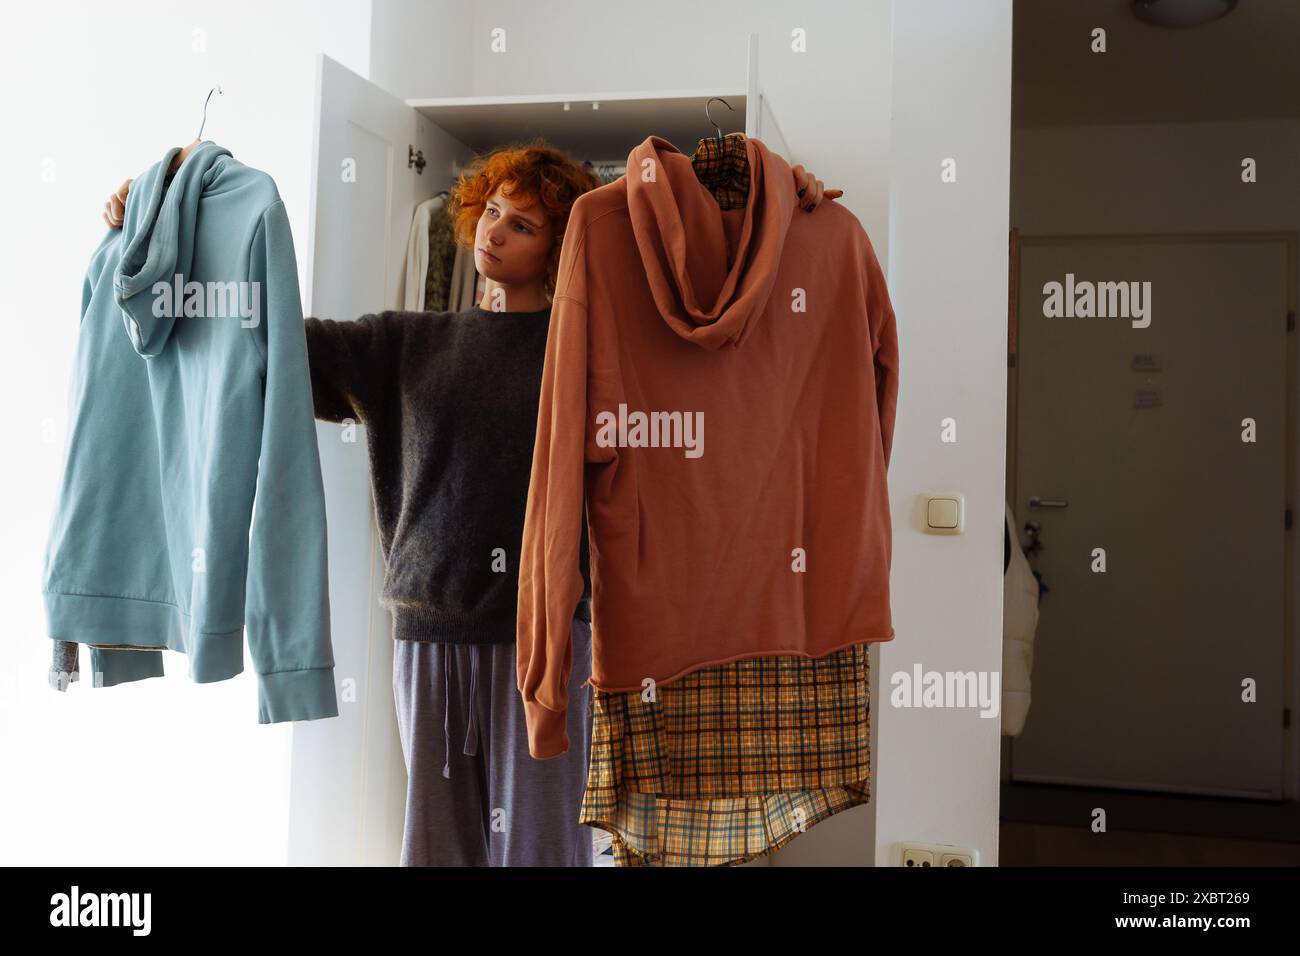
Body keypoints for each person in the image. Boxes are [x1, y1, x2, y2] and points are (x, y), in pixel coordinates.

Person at [103, 137, 840, 866]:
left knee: (545, 849)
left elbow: (719, 315)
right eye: (491, 211)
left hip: (551, 640)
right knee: (435, 849)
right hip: (428, 633)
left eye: (523, 224)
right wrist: (159, 225)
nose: (495, 231)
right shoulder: (405, 343)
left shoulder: (592, 350)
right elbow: (261, 347)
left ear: (560, 247)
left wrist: (772, 195)